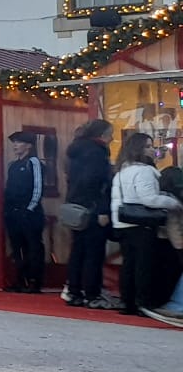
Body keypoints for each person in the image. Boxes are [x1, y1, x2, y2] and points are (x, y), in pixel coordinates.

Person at [110, 131, 180, 317]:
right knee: (144, 265)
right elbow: (149, 199)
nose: (151, 150)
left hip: (123, 222)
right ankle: (144, 302)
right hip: (142, 223)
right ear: (139, 149)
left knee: (129, 264)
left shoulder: (121, 171)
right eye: (148, 146)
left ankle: (128, 302)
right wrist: (173, 202)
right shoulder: (144, 171)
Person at [64, 119, 114, 308]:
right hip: (92, 208)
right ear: (101, 135)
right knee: (94, 253)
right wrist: (102, 209)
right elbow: (98, 183)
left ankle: (74, 290)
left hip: (76, 207)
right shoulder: (97, 153)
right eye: (110, 134)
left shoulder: (75, 151)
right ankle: (92, 293)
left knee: (77, 251)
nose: (112, 138)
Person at [2, 132, 47, 294]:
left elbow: (38, 187)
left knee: (33, 247)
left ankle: (34, 281)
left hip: (30, 213)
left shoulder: (34, 162)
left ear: (28, 145)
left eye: (19, 142)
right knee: (17, 247)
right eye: (14, 143)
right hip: (13, 212)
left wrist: (30, 208)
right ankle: (20, 280)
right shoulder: (13, 165)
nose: (15, 146)